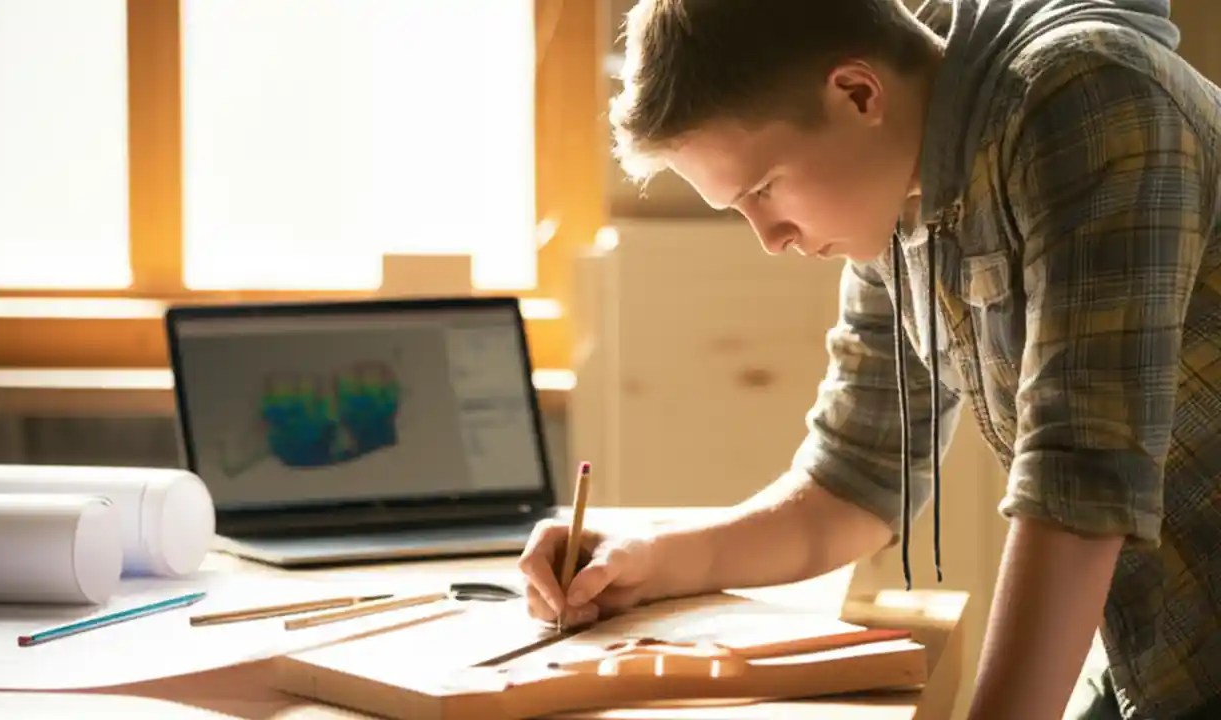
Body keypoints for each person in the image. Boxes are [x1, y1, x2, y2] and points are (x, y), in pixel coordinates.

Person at [515, 1, 1221, 718]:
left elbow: (1079, 490)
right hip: (1157, 657)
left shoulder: (1091, 101)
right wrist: (650, 559)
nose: (769, 237)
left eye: (763, 188)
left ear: (857, 94)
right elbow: (854, 483)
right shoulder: (895, 189)